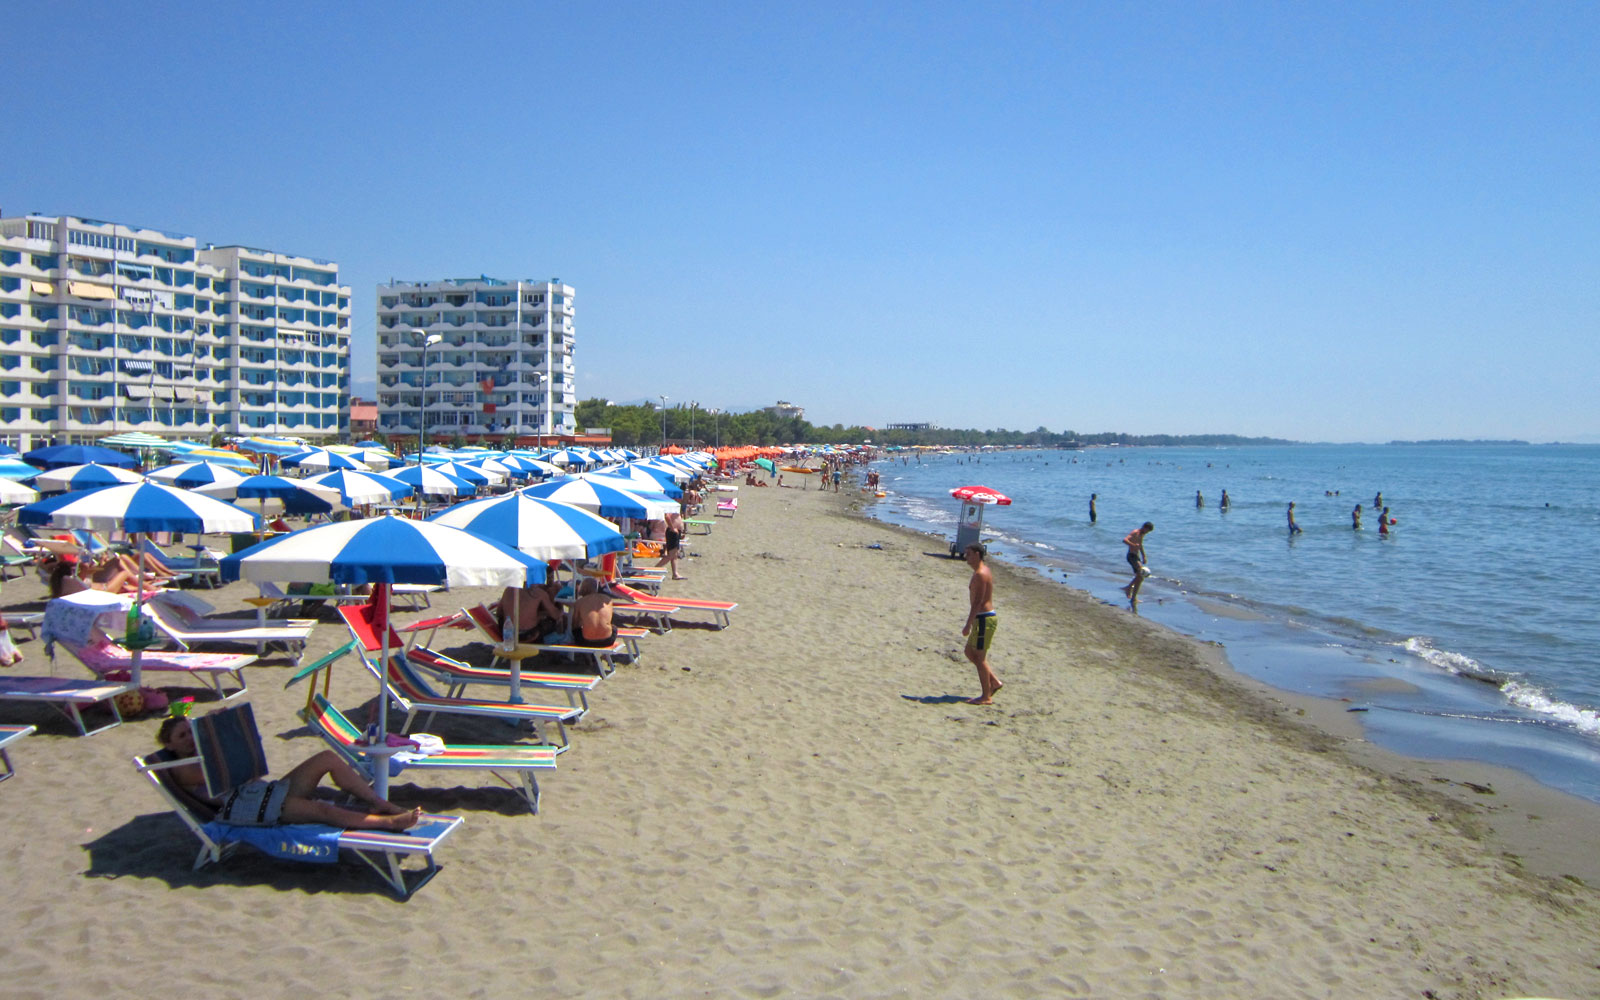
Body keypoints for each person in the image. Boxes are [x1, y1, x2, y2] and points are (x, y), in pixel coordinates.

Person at [154, 715, 421, 831]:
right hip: (244, 808)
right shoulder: (180, 769)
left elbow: (243, 765)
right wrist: (222, 736)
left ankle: (381, 803)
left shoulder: (206, 754)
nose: (190, 738)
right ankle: (388, 823)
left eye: (191, 731)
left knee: (326, 758)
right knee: (321, 811)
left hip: (260, 794)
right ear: (170, 745)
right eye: (182, 735)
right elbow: (225, 773)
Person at [959, 543, 1001, 705]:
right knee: (970, 652)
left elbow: (978, 602)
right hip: (981, 618)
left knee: (979, 657)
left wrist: (968, 624)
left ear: (977, 554)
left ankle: (986, 696)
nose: (966, 557)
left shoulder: (981, 574)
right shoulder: (980, 572)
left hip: (984, 618)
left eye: (968, 554)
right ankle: (994, 682)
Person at [495, 580, 564, 641]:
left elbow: (499, 613)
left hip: (507, 633)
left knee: (541, 616)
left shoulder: (509, 589)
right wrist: (559, 598)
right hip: (527, 635)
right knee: (552, 622)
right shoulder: (538, 593)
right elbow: (556, 615)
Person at [570, 579, 617, 648]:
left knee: (577, 631)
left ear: (584, 588)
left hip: (586, 641)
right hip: (607, 640)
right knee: (613, 627)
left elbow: (574, 624)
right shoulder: (607, 599)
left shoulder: (580, 602)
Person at [1122, 522, 1153, 602]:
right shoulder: (1136, 532)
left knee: (1140, 578)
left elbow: (1140, 545)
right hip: (1131, 556)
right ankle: (1128, 588)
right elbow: (1125, 540)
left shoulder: (1142, 534)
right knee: (1141, 574)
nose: (1147, 533)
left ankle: (1133, 597)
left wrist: (1144, 556)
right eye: (1147, 531)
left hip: (1136, 557)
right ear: (1144, 527)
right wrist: (1132, 545)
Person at [655, 512, 686, 580]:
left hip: (676, 531)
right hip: (672, 531)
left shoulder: (676, 506)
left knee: (675, 555)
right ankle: (654, 569)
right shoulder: (671, 506)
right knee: (671, 555)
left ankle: (675, 574)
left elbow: (677, 518)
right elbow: (666, 516)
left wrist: (681, 530)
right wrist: (672, 528)